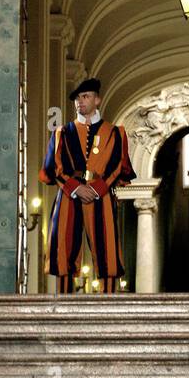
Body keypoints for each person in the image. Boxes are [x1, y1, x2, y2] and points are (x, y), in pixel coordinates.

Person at [39, 76, 135, 293]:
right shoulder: (62, 132)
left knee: (107, 249)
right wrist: (76, 188)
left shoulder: (114, 132)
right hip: (69, 193)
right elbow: (55, 167)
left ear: (97, 100)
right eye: (77, 98)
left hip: (101, 193)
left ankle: (108, 306)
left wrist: (96, 189)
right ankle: (62, 305)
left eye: (85, 96)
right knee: (64, 247)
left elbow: (118, 165)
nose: (80, 101)